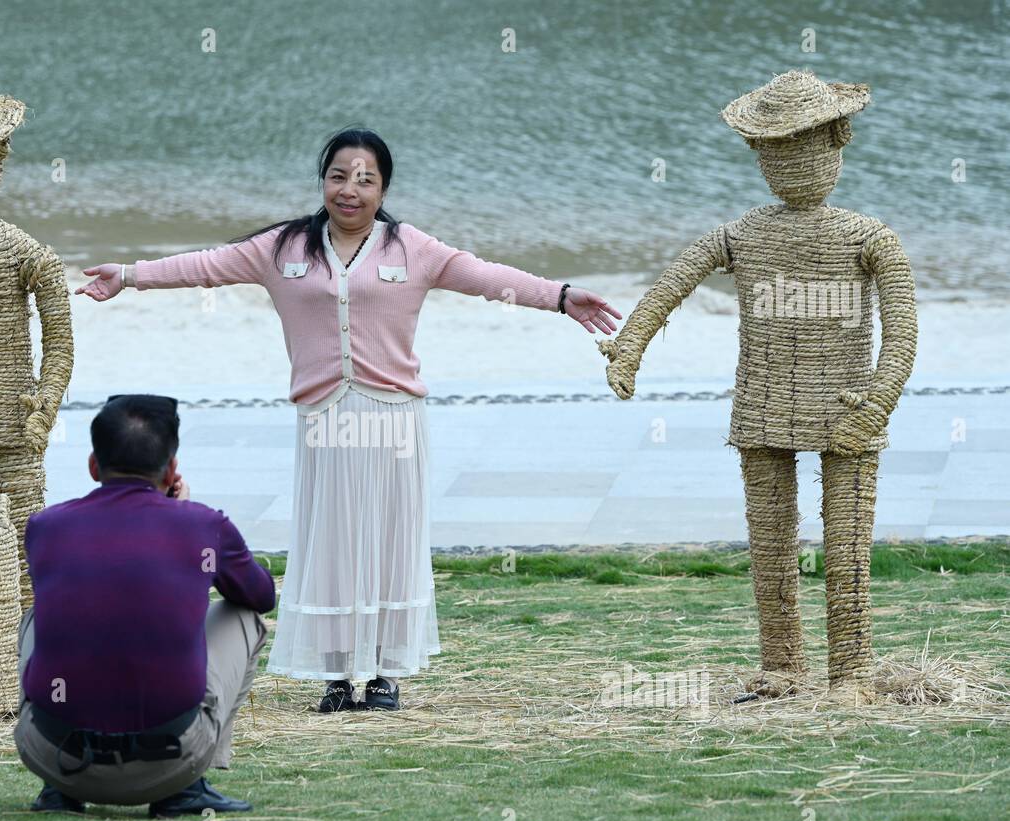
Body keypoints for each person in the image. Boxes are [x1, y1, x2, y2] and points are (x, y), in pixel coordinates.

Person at [76, 128, 620, 714]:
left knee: (390, 541)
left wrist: (562, 296)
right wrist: (129, 275)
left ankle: (385, 672)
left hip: (394, 419)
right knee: (330, 542)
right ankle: (337, 676)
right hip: (324, 417)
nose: (350, 190)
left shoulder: (410, 247)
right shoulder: (282, 248)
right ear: (323, 181)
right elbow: (205, 266)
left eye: (365, 179)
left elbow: (488, 278)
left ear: (383, 187)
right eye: (339, 176)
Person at [13, 394, 277, 815]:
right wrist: (183, 519)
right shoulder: (204, 524)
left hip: (54, 755)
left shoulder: (45, 525)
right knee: (242, 616)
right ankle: (190, 787)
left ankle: (57, 794)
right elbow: (261, 596)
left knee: (34, 618)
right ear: (171, 469)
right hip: (171, 760)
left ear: (94, 466)